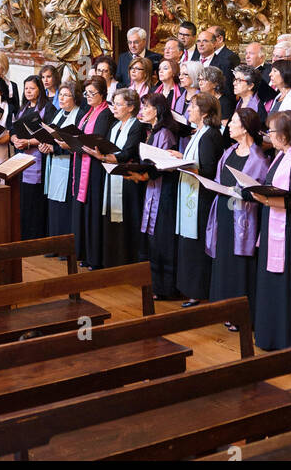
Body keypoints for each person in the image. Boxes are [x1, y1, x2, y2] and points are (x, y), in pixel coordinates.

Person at [250, 110, 291, 350]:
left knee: (288, 281)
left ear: (285, 134)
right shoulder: (282, 155)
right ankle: (270, 334)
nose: (268, 136)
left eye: (271, 131)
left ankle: (288, 337)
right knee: (271, 280)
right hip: (274, 222)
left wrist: (266, 200)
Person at [207, 106, 269, 321]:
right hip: (224, 212)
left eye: (233, 122)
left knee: (239, 265)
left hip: (244, 218)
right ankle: (222, 309)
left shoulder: (259, 159)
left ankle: (240, 315)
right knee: (223, 259)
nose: (229, 125)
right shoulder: (229, 151)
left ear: (245, 128)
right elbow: (219, 178)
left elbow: (258, 191)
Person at [175, 91, 225, 306]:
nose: (188, 110)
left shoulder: (211, 135)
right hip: (191, 194)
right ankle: (190, 288)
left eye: (192, 107)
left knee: (197, 245)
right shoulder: (200, 132)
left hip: (201, 199)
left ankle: (198, 289)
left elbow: (209, 170)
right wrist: (180, 158)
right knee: (189, 243)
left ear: (204, 113)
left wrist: (186, 166)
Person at [86, 88, 147, 265]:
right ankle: (112, 261)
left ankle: (128, 262)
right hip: (111, 175)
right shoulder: (114, 125)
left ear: (130, 107)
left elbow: (128, 151)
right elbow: (107, 146)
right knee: (111, 220)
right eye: (114, 104)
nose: (114, 108)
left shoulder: (137, 126)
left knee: (127, 220)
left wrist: (103, 157)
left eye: (119, 104)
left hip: (128, 180)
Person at [139, 92, 182, 300]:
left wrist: (143, 173)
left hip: (165, 190)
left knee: (162, 238)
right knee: (153, 239)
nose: (143, 111)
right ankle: (156, 285)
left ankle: (166, 287)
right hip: (153, 187)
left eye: (146, 107)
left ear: (156, 110)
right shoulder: (153, 131)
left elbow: (163, 164)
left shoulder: (165, 133)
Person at [70, 75, 114, 270]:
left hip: (95, 168)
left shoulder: (105, 114)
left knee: (93, 211)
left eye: (92, 93)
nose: (88, 96)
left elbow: (98, 140)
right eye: (86, 93)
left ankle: (95, 256)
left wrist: (77, 143)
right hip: (82, 162)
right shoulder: (88, 112)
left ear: (102, 94)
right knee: (83, 209)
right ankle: (85, 253)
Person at [41, 82, 84, 244]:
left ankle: (65, 246)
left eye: (66, 95)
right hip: (54, 165)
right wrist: (44, 145)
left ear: (75, 98)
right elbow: (50, 136)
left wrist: (55, 148)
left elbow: (77, 144)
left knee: (65, 206)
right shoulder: (57, 114)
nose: (62, 98)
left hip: (69, 166)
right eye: (60, 95)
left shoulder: (79, 116)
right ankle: (54, 244)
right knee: (54, 204)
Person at [10, 74, 52, 240]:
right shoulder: (23, 108)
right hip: (22, 158)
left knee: (35, 198)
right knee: (24, 197)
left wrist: (28, 142)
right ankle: (24, 234)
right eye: (26, 88)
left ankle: (36, 236)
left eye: (32, 88)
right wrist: (15, 140)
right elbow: (13, 130)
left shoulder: (47, 108)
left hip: (38, 158)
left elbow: (48, 134)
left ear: (40, 89)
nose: (28, 91)